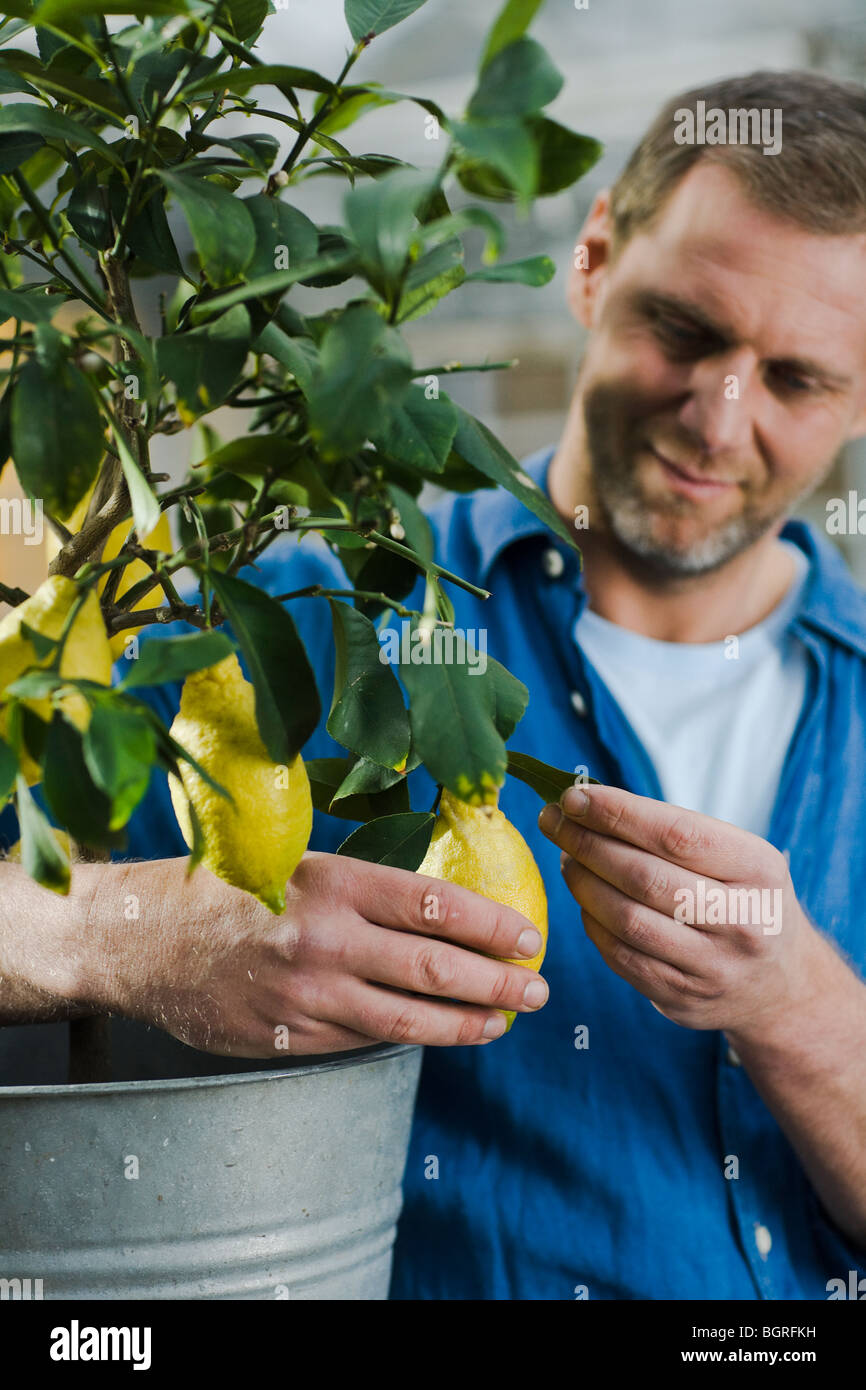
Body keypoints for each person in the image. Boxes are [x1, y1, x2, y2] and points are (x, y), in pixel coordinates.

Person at [2, 69, 866, 1301]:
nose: (718, 422)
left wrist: (797, 1008)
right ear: (593, 258)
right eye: (685, 330)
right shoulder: (298, 615)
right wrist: (129, 934)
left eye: (795, 380)